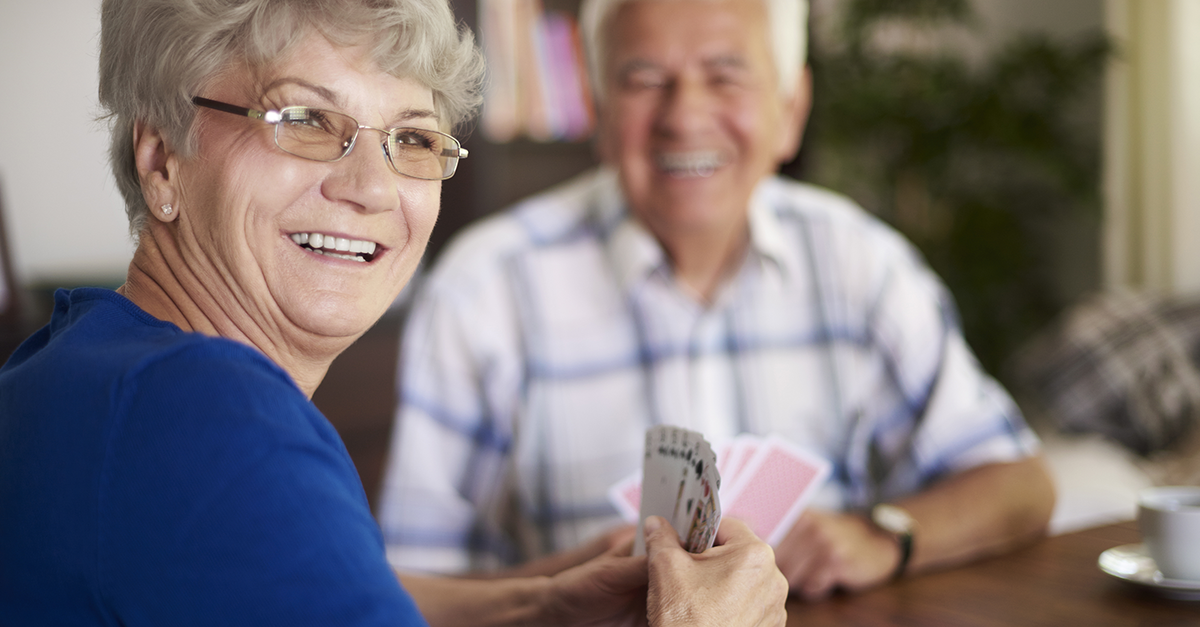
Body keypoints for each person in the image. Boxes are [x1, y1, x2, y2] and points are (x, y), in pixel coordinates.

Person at [0, 0, 789, 625]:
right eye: (304, 119)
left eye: (413, 138)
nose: (371, 188)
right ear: (161, 157)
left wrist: (540, 604)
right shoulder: (208, 417)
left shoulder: (90, 362)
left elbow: (321, 586)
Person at [378, 0, 1057, 601]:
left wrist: (884, 534)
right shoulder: (484, 288)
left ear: (790, 111)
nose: (685, 116)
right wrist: (565, 587)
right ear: (601, 111)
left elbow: (1022, 482)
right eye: (645, 79)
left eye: (726, 75)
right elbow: (402, 587)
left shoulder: (860, 261)